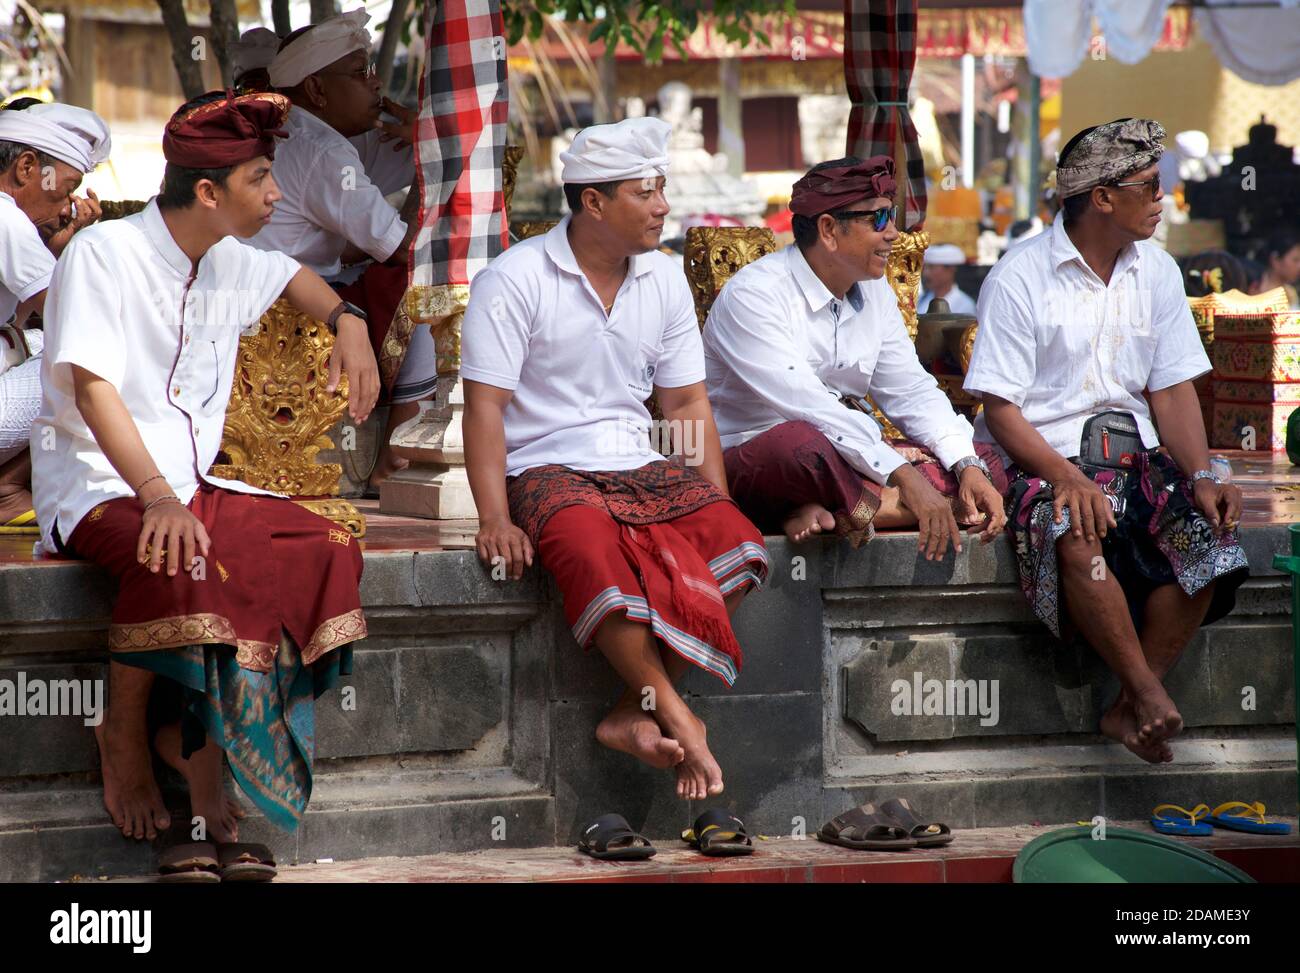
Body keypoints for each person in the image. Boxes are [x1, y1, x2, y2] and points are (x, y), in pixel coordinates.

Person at [32, 91, 380, 860]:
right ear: (209, 192)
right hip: (103, 484)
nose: (277, 194)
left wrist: (349, 323)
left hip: (195, 484)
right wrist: (156, 495)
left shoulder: (229, 256)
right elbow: (93, 389)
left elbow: (299, 281)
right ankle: (127, 738)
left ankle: (192, 744)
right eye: (262, 178)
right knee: (179, 551)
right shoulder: (104, 253)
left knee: (323, 545)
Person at [461, 117, 768, 800]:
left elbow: (686, 403)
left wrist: (715, 501)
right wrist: (493, 516)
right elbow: (485, 408)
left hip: (640, 463)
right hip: (545, 468)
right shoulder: (514, 279)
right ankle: (680, 713)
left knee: (740, 547)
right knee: (592, 551)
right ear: (593, 201)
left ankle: (639, 708)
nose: (662, 207)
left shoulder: (661, 280)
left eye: (661, 191)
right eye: (645, 193)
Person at [963, 118, 1249, 764]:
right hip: (1043, 456)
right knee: (1075, 530)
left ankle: (1130, 701)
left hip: (1136, 462)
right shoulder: (1019, 277)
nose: (1160, 199)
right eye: (1148, 186)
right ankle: (1147, 692)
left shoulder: (1159, 272)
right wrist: (1066, 476)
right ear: (1101, 196)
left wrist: (1202, 473)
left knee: (1208, 543)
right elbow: (1001, 411)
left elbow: (1172, 391)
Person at [703, 156, 1006, 553]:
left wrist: (967, 464)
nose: (894, 234)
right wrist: (906, 478)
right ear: (829, 230)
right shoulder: (755, 295)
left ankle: (840, 509)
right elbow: (809, 408)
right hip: (767, 454)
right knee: (803, 446)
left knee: (989, 465)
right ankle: (883, 505)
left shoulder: (872, 289)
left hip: (850, 452)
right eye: (879, 219)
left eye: (892, 216)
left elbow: (910, 390)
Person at [253, 8, 423, 487]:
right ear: (317, 90)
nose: (376, 84)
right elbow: (399, 247)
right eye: (359, 73)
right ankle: (401, 444)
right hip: (295, 309)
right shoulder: (321, 150)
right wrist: (431, 163)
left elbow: (381, 175)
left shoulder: (309, 134)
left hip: (275, 297)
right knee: (425, 280)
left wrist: (421, 144)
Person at [0, 100, 108, 527]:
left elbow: (25, 304)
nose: (66, 205)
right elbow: (75, 314)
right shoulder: (6, 217)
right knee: (92, 356)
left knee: (50, 343)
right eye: (64, 189)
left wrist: (59, 247)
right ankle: (8, 489)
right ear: (26, 167)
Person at [917, 242, 977, 315]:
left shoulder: (965, 305)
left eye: (932, 267)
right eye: (925, 268)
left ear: (950, 269)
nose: (925, 273)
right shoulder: (919, 301)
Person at [1256, 227, 1300, 309]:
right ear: (1275, 260)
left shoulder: (1291, 293)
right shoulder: (1255, 289)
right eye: (1295, 260)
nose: (1299, 266)